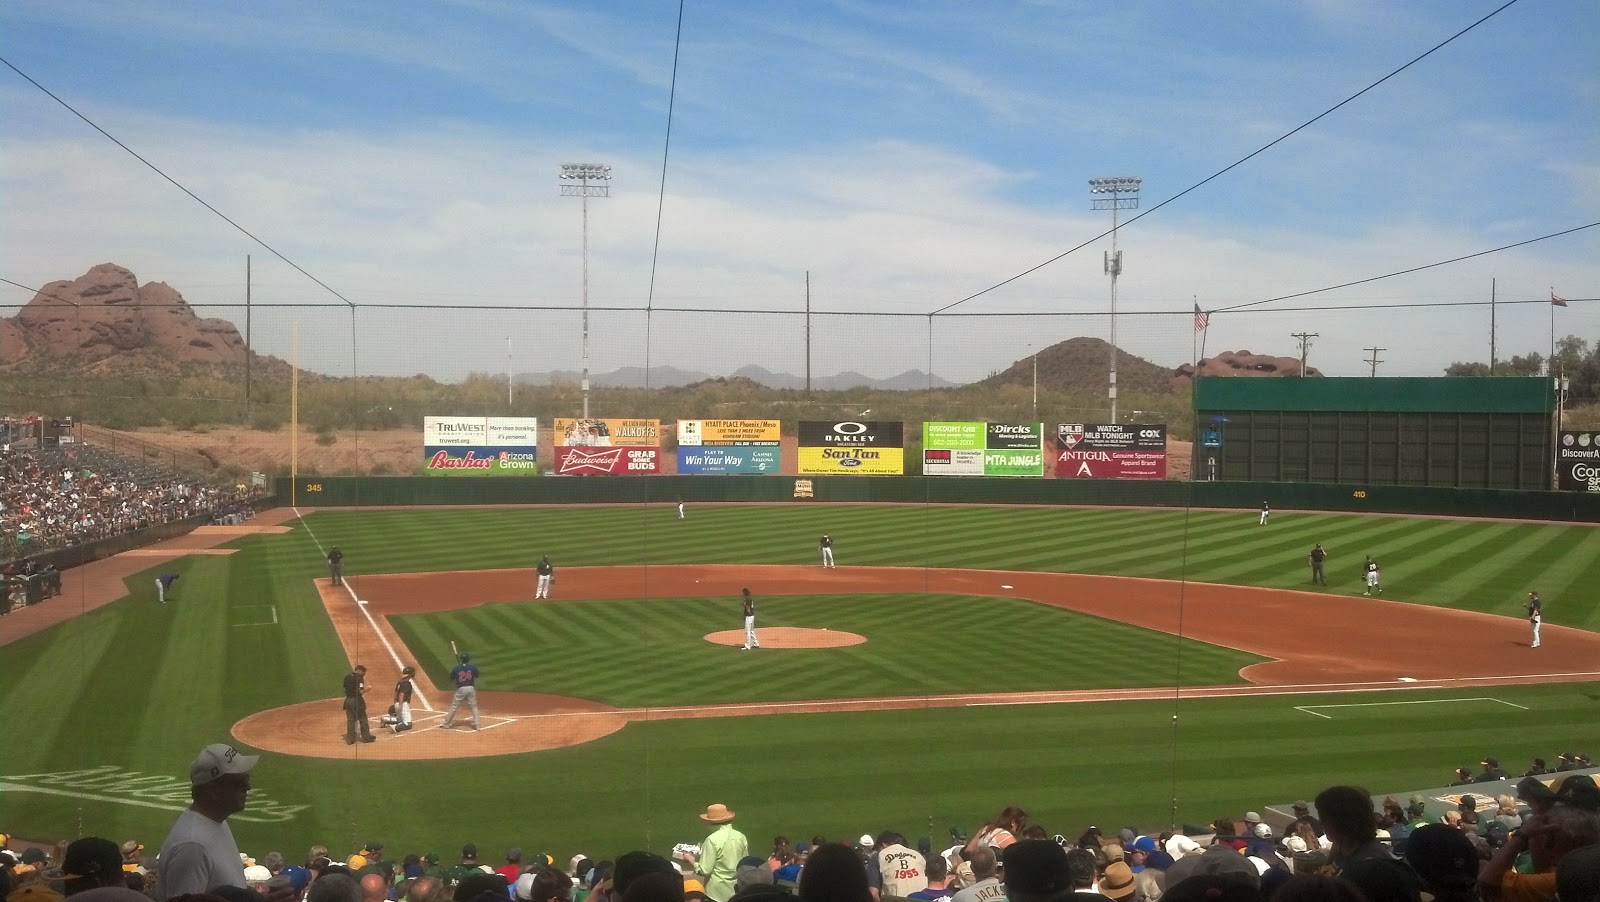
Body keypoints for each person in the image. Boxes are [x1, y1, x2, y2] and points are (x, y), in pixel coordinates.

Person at [157, 744, 259, 898]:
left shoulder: (217, 822)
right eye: (240, 783)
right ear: (213, 790)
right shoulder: (192, 847)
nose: (248, 787)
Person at [687, 805, 747, 902]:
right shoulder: (741, 836)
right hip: (736, 890)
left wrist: (692, 861)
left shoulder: (712, 839)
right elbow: (744, 864)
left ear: (711, 822)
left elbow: (704, 870)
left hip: (716, 893)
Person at [441, 653, 481, 730]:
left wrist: (459, 670)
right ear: (468, 660)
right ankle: (477, 725)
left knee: (454, 707)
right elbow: (477, 675)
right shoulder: (472, 667)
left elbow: (451, 678)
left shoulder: (456, 668)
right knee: (474, 707)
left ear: (461, 659)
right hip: (471, 688)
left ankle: (446, 724)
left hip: (461, 689)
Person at [343, 665, 376, 744]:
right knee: (362, 719)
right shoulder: (359, 678)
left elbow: (345, 687)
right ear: (359, 671)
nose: (363, 674)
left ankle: (350, 739)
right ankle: (366, 737)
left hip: (348, 701)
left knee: (351, 720)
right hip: (357, 701)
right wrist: (367, 689)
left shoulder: (347, 677)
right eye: (363, 672)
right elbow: (360, 692)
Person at [384, 667, 416, 733]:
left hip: (397, 703)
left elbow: (395, 693)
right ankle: (395, 727)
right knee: (408, 724)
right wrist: (401, 705)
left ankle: (386, 719)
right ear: (410, 674)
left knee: (400, 720)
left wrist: (396, 703)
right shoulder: (407, 684)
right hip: (403, 704)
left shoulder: (400, 682)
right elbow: (402, 694)